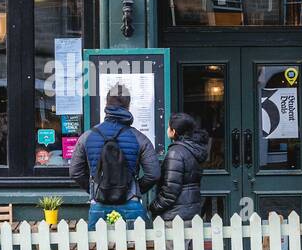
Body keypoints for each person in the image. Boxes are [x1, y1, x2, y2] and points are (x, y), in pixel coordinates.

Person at [70, 84, 161, 226]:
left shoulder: (86, 137)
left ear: (106, 104)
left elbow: (75, 172)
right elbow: (153, 173)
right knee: (136, 248)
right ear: (128, 106)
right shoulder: (139, 138)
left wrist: (96, 188)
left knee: (97, 248)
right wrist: (135, 188)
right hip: (131, 202)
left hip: (99, 204)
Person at [149, 113, 209, 223]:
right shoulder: (193, 150)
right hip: (191, 214)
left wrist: (153, 207)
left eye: (169, 127)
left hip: (175, 217)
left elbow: (170, 192)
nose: (167, 129)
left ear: (174, 131)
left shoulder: (175, 153)